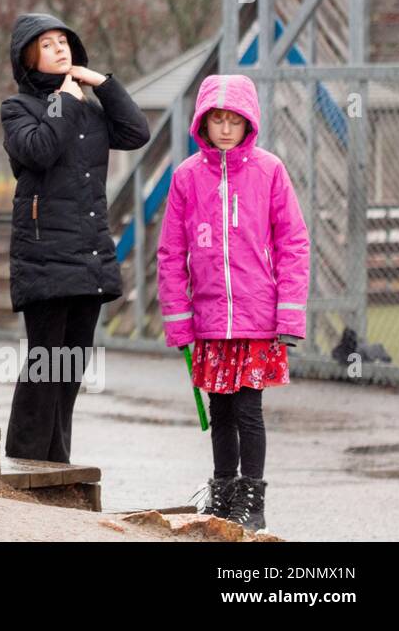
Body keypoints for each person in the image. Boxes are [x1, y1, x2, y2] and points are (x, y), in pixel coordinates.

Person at [157, 73, 309, 533]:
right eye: (217, 120)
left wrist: (289, 313)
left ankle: (253, 499)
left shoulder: (270, 171)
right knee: (219, 412)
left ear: (249, 123)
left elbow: (293, 242)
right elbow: (170, 251)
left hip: (257, 320)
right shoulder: (186, 176)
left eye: (234, 120)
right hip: (208, 321)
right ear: (203, 123)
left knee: (248, 411)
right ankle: (223, 495)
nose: (225, 129)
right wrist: (179, 319)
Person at [0, 13, 150, 460]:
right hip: (44, 255)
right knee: (45, 364)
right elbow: (39, 151)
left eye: (63, 41)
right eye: (47, 44)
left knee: (71, 367)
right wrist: (64, 99)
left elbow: (136, 132)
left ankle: (57, 461)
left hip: (87, 255)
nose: (60, 48)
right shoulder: (17, 108)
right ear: (28, 57)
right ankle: (27, 460)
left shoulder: (89, 108)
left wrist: (101, 84)